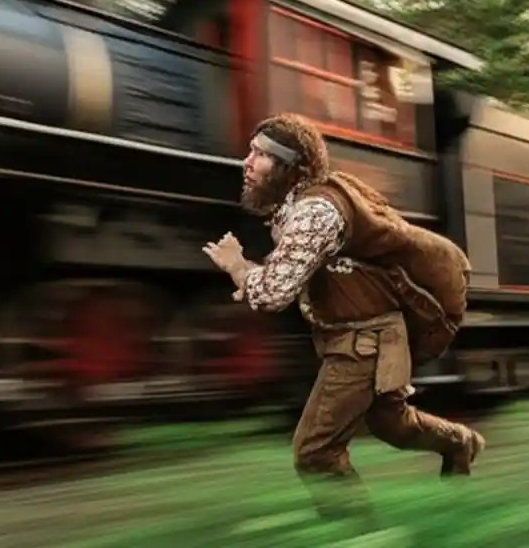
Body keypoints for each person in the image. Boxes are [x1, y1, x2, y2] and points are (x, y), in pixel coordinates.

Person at [203, 113, 485, 520]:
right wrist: (249, 272)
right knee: (391, 424)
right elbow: (286, 277)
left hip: (365, 341)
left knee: (315, 452)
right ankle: (459, 442)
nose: (246, 162)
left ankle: (363, 536)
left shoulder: (316, 211)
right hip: (363, 336)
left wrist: (238, 267)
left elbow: (272, 294)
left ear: (291, 166)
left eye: (260, 154)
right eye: (250, 151)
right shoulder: (301, 206)